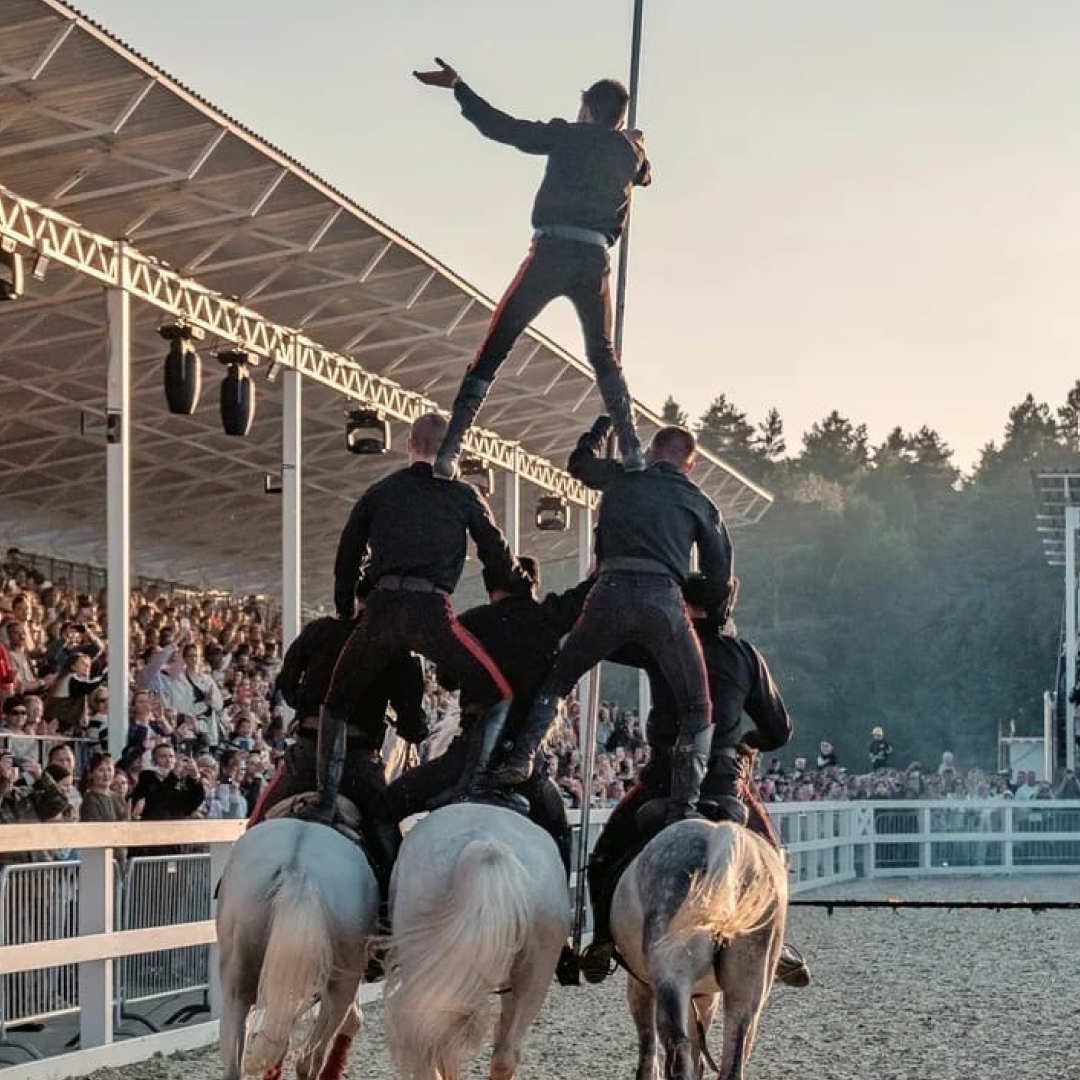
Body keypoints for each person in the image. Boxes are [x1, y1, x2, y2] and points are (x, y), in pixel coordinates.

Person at [413, 59, 651, 479]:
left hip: (550, 249)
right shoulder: (630, 153)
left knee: (495, 344)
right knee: (603, 355)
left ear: (587, 111)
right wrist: (632, 142)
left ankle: (450, 451)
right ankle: (631, 446)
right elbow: (645, 175)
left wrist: (460, 89)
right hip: (593, 259)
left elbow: (503, 128)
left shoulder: (566, 136)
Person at [578, 574, 809, 988]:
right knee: (771, 857)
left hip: (664, 780)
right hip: (723, 782)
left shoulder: (662, 643)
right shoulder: (744, 655)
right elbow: (780, 730)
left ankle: (601, 940)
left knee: (604, 853)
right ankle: (778, 943)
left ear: (681, 601)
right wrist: (749, 742)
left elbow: (611, 644)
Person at [489, 421, 731, 809]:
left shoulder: (622, 478)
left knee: (559, 679)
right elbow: (720, 576)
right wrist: (714, 620)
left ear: (651, 452)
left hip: (609, 594)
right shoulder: (700, 501)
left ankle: (522, 756)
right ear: (691, 465)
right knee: (697, 706)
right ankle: (684, 803)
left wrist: (602, 427)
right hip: (664, 601)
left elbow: (578, 464)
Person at [307, 412, 527, 828]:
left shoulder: (379, 491)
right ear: (453, 453)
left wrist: (344, 608)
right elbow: (495, 551)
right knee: (498, 693)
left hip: (382, 610)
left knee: (335, 703)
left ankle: (325, 798)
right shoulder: (464, 495)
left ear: (409, 445)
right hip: (431, 612)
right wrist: (515, 584)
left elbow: (347, 554)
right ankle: (476, 782)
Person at [382, 556, 589, 864]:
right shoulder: (546, 617)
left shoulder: (470, 623)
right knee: (559, 828)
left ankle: (386, 897)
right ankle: (566, 909)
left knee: (386, 807)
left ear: (490, 587)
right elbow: (583, 599)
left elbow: (447, 680)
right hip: (523, 762)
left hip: (466, 758)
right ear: (534, 585)